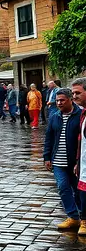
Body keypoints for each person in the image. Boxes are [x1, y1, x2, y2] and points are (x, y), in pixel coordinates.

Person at [43, 88, 82, 231]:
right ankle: (73, 216)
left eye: (62, 100)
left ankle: (83, 216)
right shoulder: (54, 116)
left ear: (70, 99)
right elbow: (49, 137)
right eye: (57, 100)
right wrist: (47, 157)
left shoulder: (80, 115)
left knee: (78, 190)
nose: (59, 103)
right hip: (58, 161)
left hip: (74, 161)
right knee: (63, 187)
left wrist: (79, 160)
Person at [70, 78, 86, 236]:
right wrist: (77, 162)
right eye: (73, 93)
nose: (74, 96)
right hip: (83, 164)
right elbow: (81, 141)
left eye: (78, 93)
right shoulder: (83, 113)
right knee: (82, 195)